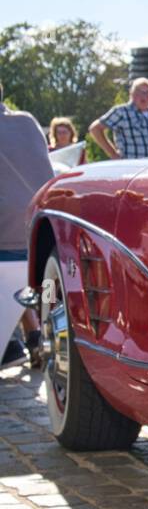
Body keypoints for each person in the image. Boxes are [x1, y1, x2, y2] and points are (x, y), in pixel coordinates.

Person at [0, 81, 53, 367]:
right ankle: (34, 334)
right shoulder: (27, 121)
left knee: (10, 278)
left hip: (7, 242)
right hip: (42, 230)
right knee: (26, 282)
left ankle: (11, 344)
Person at [88, 77, 148, 160]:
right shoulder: (122, 111)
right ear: (132, 94)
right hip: (130, 166)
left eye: (147, 93)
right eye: (140, 92)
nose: (144, 96)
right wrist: (113, 154)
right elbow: (95, 129)